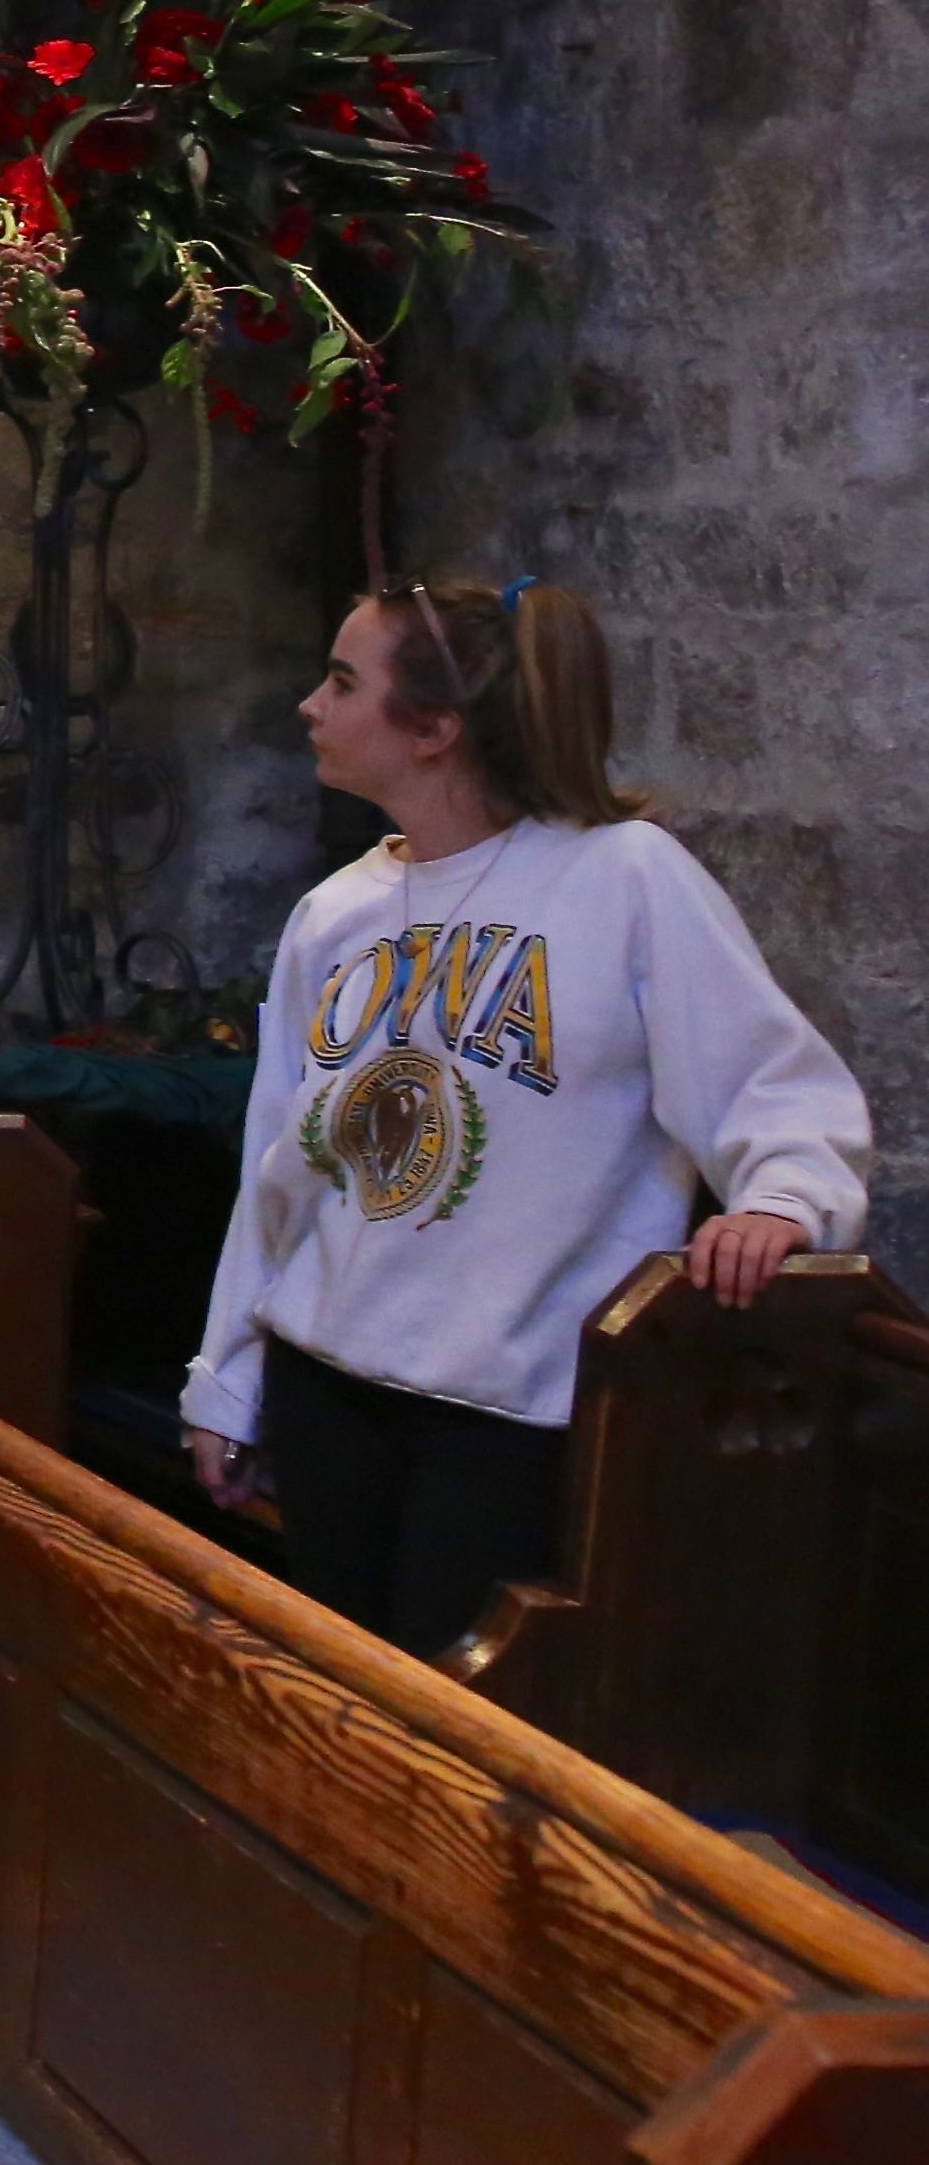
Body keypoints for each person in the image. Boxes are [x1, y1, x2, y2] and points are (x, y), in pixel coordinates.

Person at [183, 578, 866, 1660]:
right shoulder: (337, 912)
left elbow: (773, 1087)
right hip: (328, 1380)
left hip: (508, 1410)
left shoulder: (625, 879)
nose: (311, 705)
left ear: (435, 730)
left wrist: (784, 1199)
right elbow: (281, 1168)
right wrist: (229, 1373)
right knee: (332, 1704)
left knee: (458, 1734)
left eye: (344, 681)